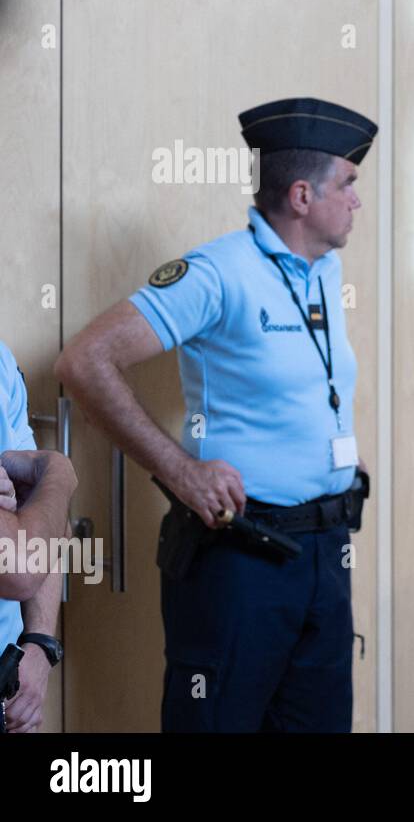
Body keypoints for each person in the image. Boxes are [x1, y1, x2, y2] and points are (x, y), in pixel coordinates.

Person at [55, 97, 376, 732]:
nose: (356, 200)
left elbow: (295, 386)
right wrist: (182, 471)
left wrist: (334, 455)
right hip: (242, 558)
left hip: (324, 554)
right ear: (303, 196)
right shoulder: (217, 272)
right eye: (348, 183)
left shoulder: (323, 270)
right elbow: (84, 362)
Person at [0, 341, 75, 733]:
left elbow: (45, 515)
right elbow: (17, 568)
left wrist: (40, 644)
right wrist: (60, 470)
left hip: (7, 684)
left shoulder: (1, 359)